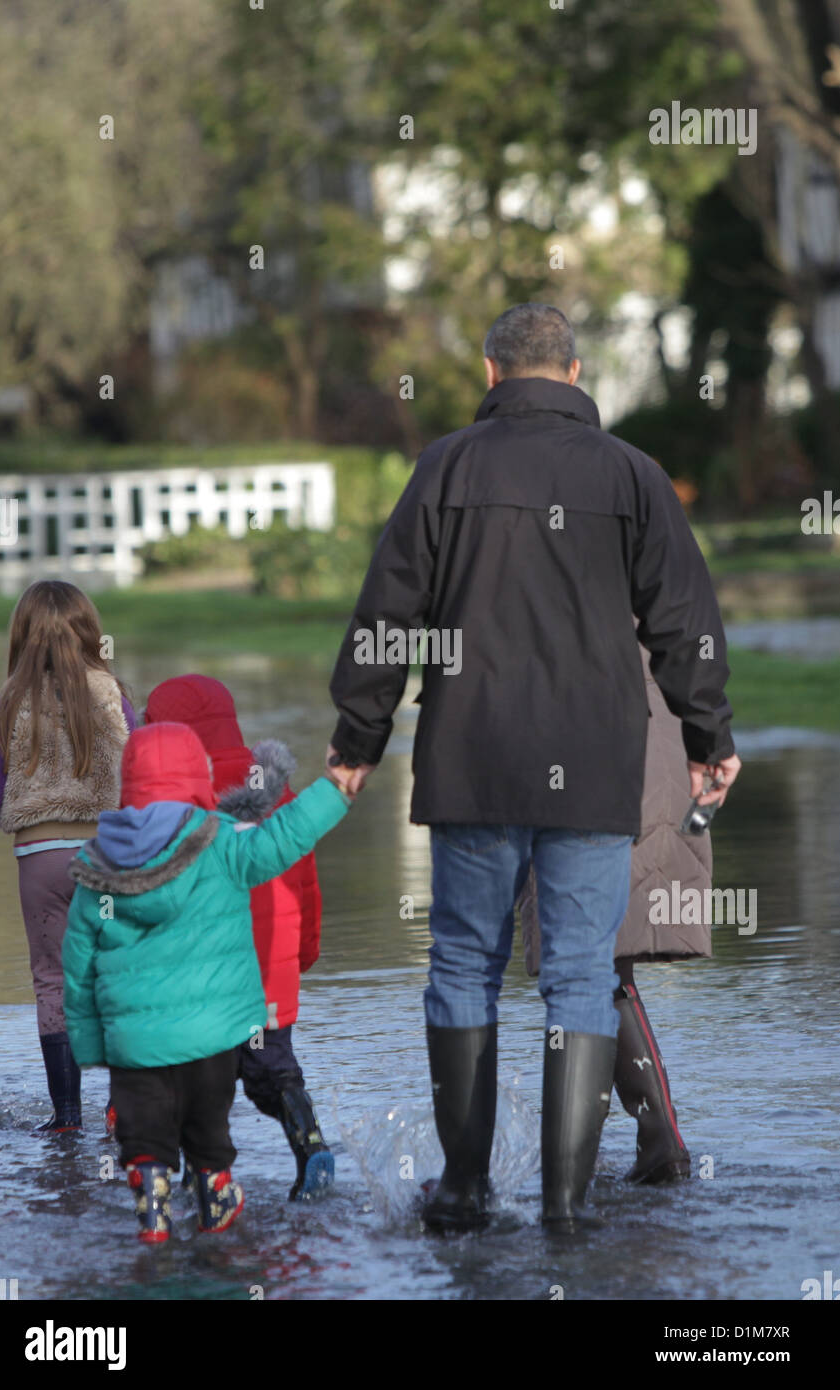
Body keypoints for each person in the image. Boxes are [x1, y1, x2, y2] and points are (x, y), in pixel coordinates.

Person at [326, 302, 741, 1232]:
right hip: (594, 759)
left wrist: (359, 737)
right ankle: (565, 1203)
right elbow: (685, 622)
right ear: (577, 371)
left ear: (488, 374)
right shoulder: (632, 476)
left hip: (472, 755)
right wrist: (709, 737)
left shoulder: (444, 468)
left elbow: (386, 608)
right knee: (581, 975)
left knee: (464, 965)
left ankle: (465, 1191)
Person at [62, 722, 352, 1243]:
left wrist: (90, 1046)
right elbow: (284, 837)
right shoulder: (220, 843)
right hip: (213, 1039)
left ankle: (152, 1199)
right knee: (207, 1130)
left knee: (144, 1134)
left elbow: (78, 966)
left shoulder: (95, 867)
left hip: (136, 1048)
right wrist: (336, 788)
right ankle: (215, 1187)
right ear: (200, 777)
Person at [518, 640, 713, 1185]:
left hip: (592, 754)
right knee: (596, 965)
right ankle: (618, 1148)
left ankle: (630, 1148)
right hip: (654, 747)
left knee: (588, 963)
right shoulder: (659, 557)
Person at [143, 674, 333, 1201]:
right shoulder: (278, 795)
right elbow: (307, 883)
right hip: (271, 974)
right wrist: (305, 953)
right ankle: (311, 1145)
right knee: (274, 1067)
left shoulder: (177, 805)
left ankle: (201, 1178)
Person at [0, 580, 135, 1131]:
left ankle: (66, 1115)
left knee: (51, 979)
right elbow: (144, 771)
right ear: (90, 633)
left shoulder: (11, 703)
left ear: (21, 637)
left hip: (40, 859)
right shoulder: (112, 693)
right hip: (109, 859)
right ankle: (120, 1108)